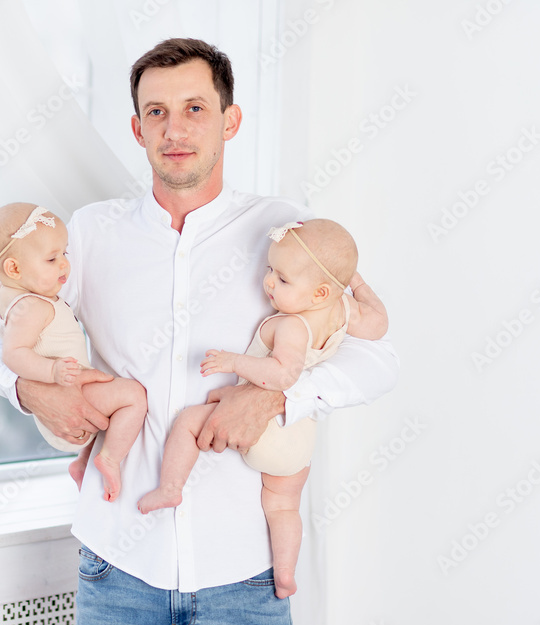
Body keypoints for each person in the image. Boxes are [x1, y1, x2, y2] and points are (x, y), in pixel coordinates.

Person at [0, 38, 398, 625]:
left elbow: (379, 355)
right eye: (157, 112)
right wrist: (27, 388)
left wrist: (281, 396)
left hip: (247, 575)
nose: (175, 128)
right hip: (116, 570)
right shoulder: (86, 235)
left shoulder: (288, 233)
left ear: (231, 119)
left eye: (196, 108)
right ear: (137, 129)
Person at [138, 218, 389, 601]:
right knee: (284, 506)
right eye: (270, 270)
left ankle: (171, 487)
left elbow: (283, 374)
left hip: (266, 429)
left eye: (283, 279)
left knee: (189, 422)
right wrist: (356, 285)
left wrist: (233, 363)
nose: (269, 282)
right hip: (300, 437)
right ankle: (286, 572)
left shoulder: (290, 326)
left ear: (320, 291)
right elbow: (379, 324)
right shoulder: (343, 311)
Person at [0, 202, 146, 502]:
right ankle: (109, 459)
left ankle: (82, 464)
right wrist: (50, 372)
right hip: (66, 392)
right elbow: (12, 354)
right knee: (133, 397)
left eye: (64, 253)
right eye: (52, 259)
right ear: (14, 268)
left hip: (75, 389)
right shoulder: (31, 307)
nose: (65, 265)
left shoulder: (11, 294)